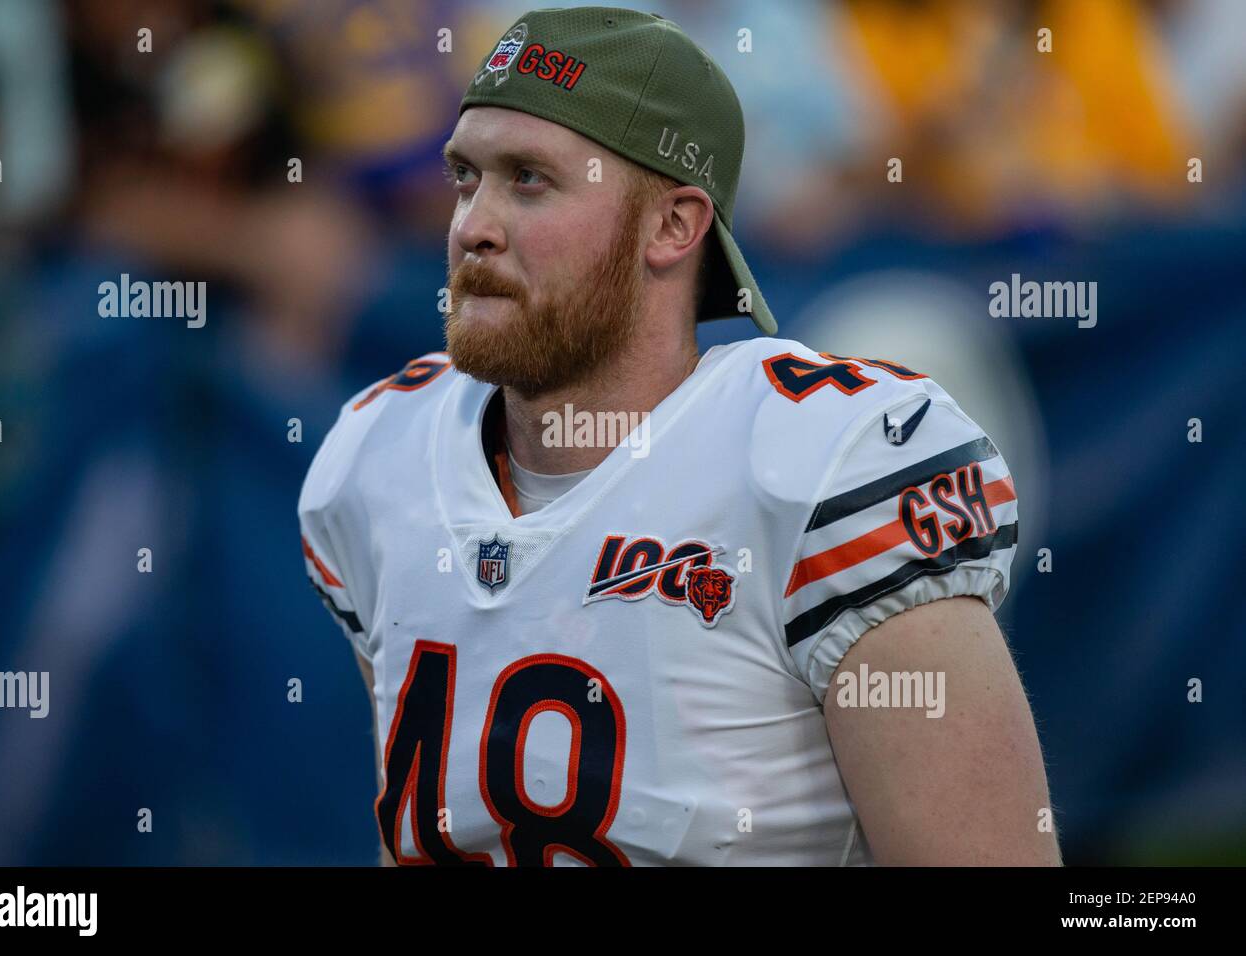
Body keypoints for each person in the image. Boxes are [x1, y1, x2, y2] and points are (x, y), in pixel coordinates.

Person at [299, 6, 1059, 866]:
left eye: (529, 180)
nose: (473, 224)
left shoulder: (826, 470)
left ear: (674, 226)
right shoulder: (376, 459)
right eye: (465, 177)